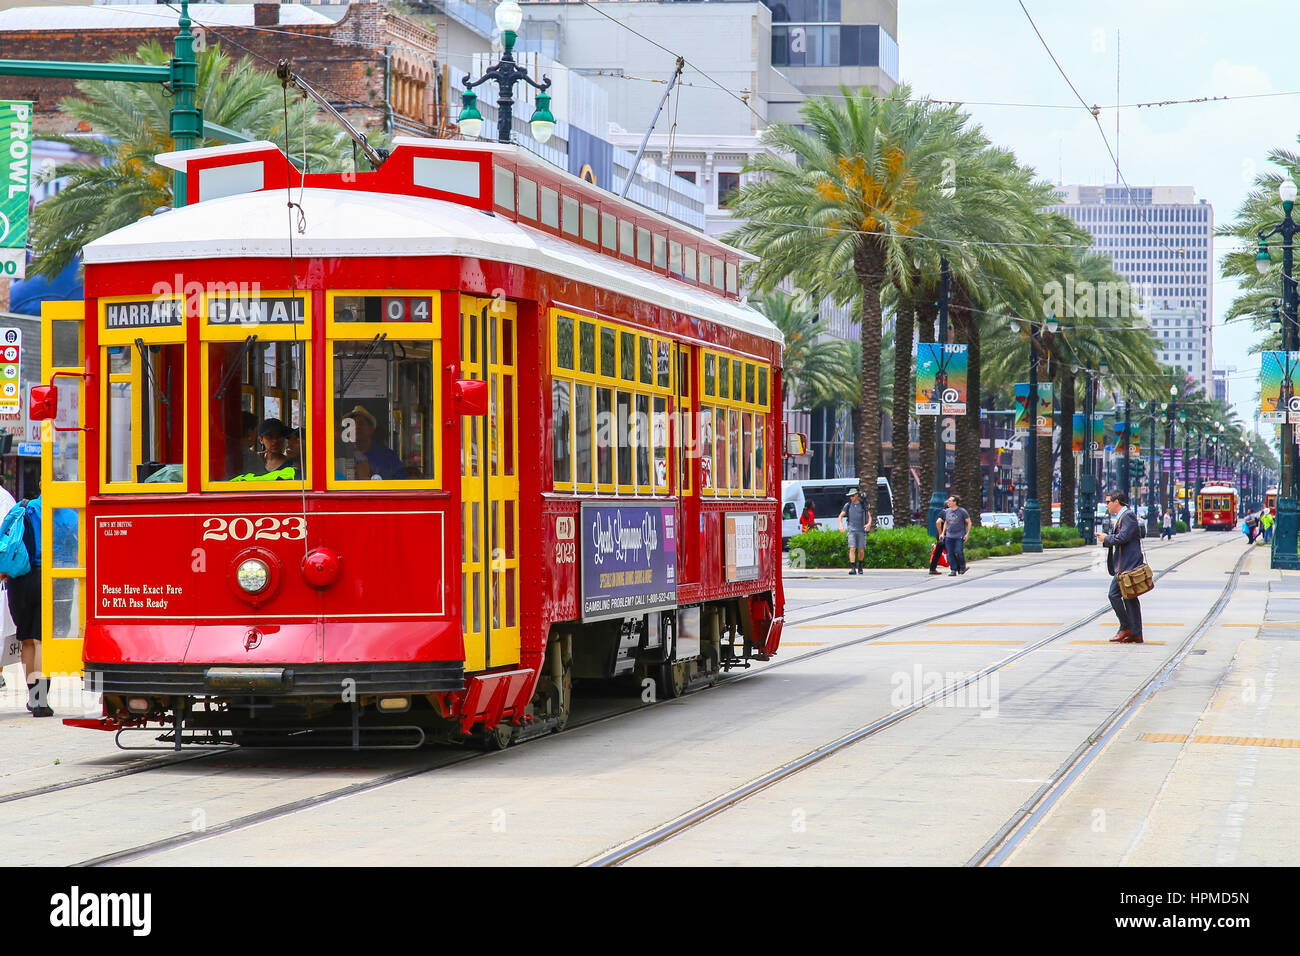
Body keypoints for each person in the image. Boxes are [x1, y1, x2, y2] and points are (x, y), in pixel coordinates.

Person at [1, 494, 50, 715]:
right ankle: (41, 701)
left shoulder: (24, 508)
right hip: (50, 578)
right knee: (41, 641)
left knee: (28, 641)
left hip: (20, 580)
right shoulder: (65, 511)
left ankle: (34, 697)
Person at [1098, 491, 1144, 644]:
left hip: (1127, 566)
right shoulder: (1123, 516)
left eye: (1108, 502)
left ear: (1116, 501)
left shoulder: (1127, 516)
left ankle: (1126, 627)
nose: (1107, 505)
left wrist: (1106, 538)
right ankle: (1136, 633)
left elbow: (1123, 537)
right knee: (1130, 597)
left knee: (1114, 594)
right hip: (1124, 564)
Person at [346, 405, 405, 480]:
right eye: (352, 425)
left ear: (371, 429)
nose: (356, 427)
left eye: (361, 423)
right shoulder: (342, 454)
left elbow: (400, 482)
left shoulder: (388, 456)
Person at [837, 487, 873, 575]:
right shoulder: (848, 505)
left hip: (861, 530)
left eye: (852, 496)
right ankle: (853, 568)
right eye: (850, 496)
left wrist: (868, 524)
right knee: (852, 548)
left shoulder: (863, 505)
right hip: (851, 530)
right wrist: (841, 526)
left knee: (861, 550)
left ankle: (860, 566)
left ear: (857, 495)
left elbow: (869, 517)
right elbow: (840, 516)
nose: (851, 498)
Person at [942, 494, 971, 576]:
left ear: (955, 502)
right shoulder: (947, 511)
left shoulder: (962, 511)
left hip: (959, 536)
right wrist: (943, 533)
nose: (948, 502)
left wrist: (967, 534)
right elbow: (946, 522)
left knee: (958, 551)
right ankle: (953, 570)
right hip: (949, 536)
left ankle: (962, 567)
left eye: (950, 501)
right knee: (949, 553)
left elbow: (969, 522)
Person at [929, 509, 947, 575]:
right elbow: (938, 522)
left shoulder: (942, 512)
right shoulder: (946, 512)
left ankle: (932, 569)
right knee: (953, 550)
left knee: (938, 552)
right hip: (944, 536)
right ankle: (961, 567)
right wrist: (941, 533)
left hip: (942, 536)